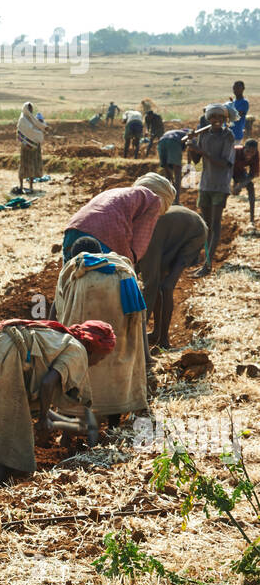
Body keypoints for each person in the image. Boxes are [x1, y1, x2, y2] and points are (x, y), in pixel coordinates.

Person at [0, 319, 115, 485]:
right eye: (100, 358)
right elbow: (47, 384)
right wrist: (42, 419)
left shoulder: (59, 336)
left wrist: (46, 415)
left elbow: (38, 388)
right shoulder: (78, 350)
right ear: (93, 349)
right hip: (1, 354)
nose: (97, 363)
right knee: (9, 422)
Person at [53, 237, 150, 421]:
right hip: (120, 291)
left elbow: (60, 309)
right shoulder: (121, 266)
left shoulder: (75, 268)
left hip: (85, 293)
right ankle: (115, 417)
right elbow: (139, 317)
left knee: (83, 355)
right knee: (117, 355)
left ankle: (77, 416)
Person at [63, 172, 175, 264]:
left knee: (69, 281)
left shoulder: (116, 192)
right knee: (109, 285)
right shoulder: (153, 199)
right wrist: (130, 264)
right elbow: (139, 243)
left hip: (73, 230)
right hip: (102, 237)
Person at [136, 207, 207, 350]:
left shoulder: (146, 239)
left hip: (195, 232)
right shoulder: (140, 236)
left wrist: (137, 331)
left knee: (166, 286)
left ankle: (164, 341)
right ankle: (156, 333)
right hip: (172, 234)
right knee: (156, 281)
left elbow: (150, 286)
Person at [187, 104, 236, 275]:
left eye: (219, 118)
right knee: (205, 226)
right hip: (205, 185)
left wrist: (201, 150)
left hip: (220, 186)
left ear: (224, 120)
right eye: (213, 118)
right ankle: (203, 261)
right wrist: (191, 144)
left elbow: (224, 163)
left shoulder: (228, 137)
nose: (216, 121)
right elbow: (196, 160)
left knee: (215, 225)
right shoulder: (204, 136)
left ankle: (208, 265)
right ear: (209, 119)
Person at [16, 101, 45, 193]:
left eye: (31, 108)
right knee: (24, 165)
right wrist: (38, 133)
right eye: (29, 108)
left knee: (32, 164)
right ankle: (21, 186)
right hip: (26, 146)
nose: (31, 110)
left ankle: (31, 186)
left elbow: (39, 127)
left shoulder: (32, 119)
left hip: (33, 146)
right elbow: (29, 130)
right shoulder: (23, 119)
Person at [231, 138, 259, 228]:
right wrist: (233, 184)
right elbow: (226, 166)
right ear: (244, 148)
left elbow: (252, 174)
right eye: (247, 151)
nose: (249, 155)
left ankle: (252, 220)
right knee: (223, 191)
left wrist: (240, 186)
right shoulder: (235, 151)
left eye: (252, 152)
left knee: (250, 186)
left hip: (239, 172)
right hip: (227, 170)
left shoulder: (256, 155)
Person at [157, 127, 189, 202]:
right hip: (173, 141)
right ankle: (176, 200)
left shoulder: (175, 132)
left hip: (161, 142)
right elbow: (190, 151)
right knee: (177, 174)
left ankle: (165, 199)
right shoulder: (189, 135)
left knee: (167, 175)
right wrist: (188, 165)